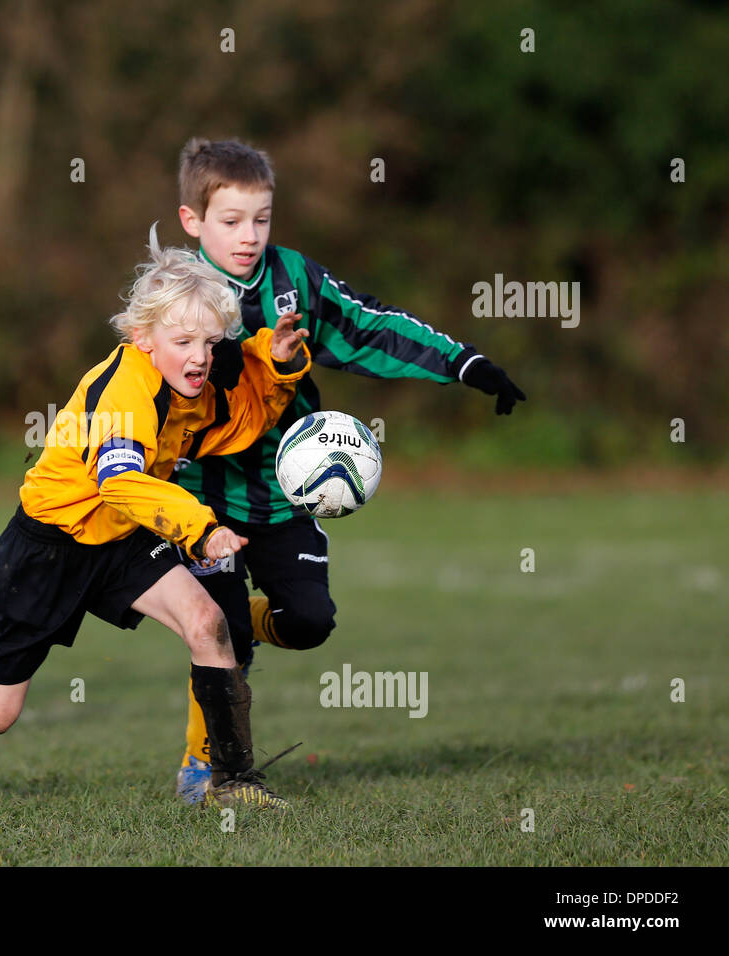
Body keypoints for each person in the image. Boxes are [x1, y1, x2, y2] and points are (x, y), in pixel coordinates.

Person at [0, 226, 312, 809]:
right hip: (47, 548)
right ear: (141, 337)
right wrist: (201, 528)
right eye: (183, 342)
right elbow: (119, 481)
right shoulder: (124, 391)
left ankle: (230, 783)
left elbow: (237, 418)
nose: (199, 357)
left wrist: (275, 368)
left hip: (122, 539)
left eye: (210, 342)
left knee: (208, 622)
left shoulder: (192, 377)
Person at [170, 138, 528, 802]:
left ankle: (246, 622)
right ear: (192, 221)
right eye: (230, 221)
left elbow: (369, 328)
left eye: (262, 218)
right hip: (200, 495)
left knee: (309, 623)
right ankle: (205, 768)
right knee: (216, 631)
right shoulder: (173, 294)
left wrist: (464, 363)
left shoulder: (296, 282)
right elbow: (133, 382)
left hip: (283, 494)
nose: (249, 236)